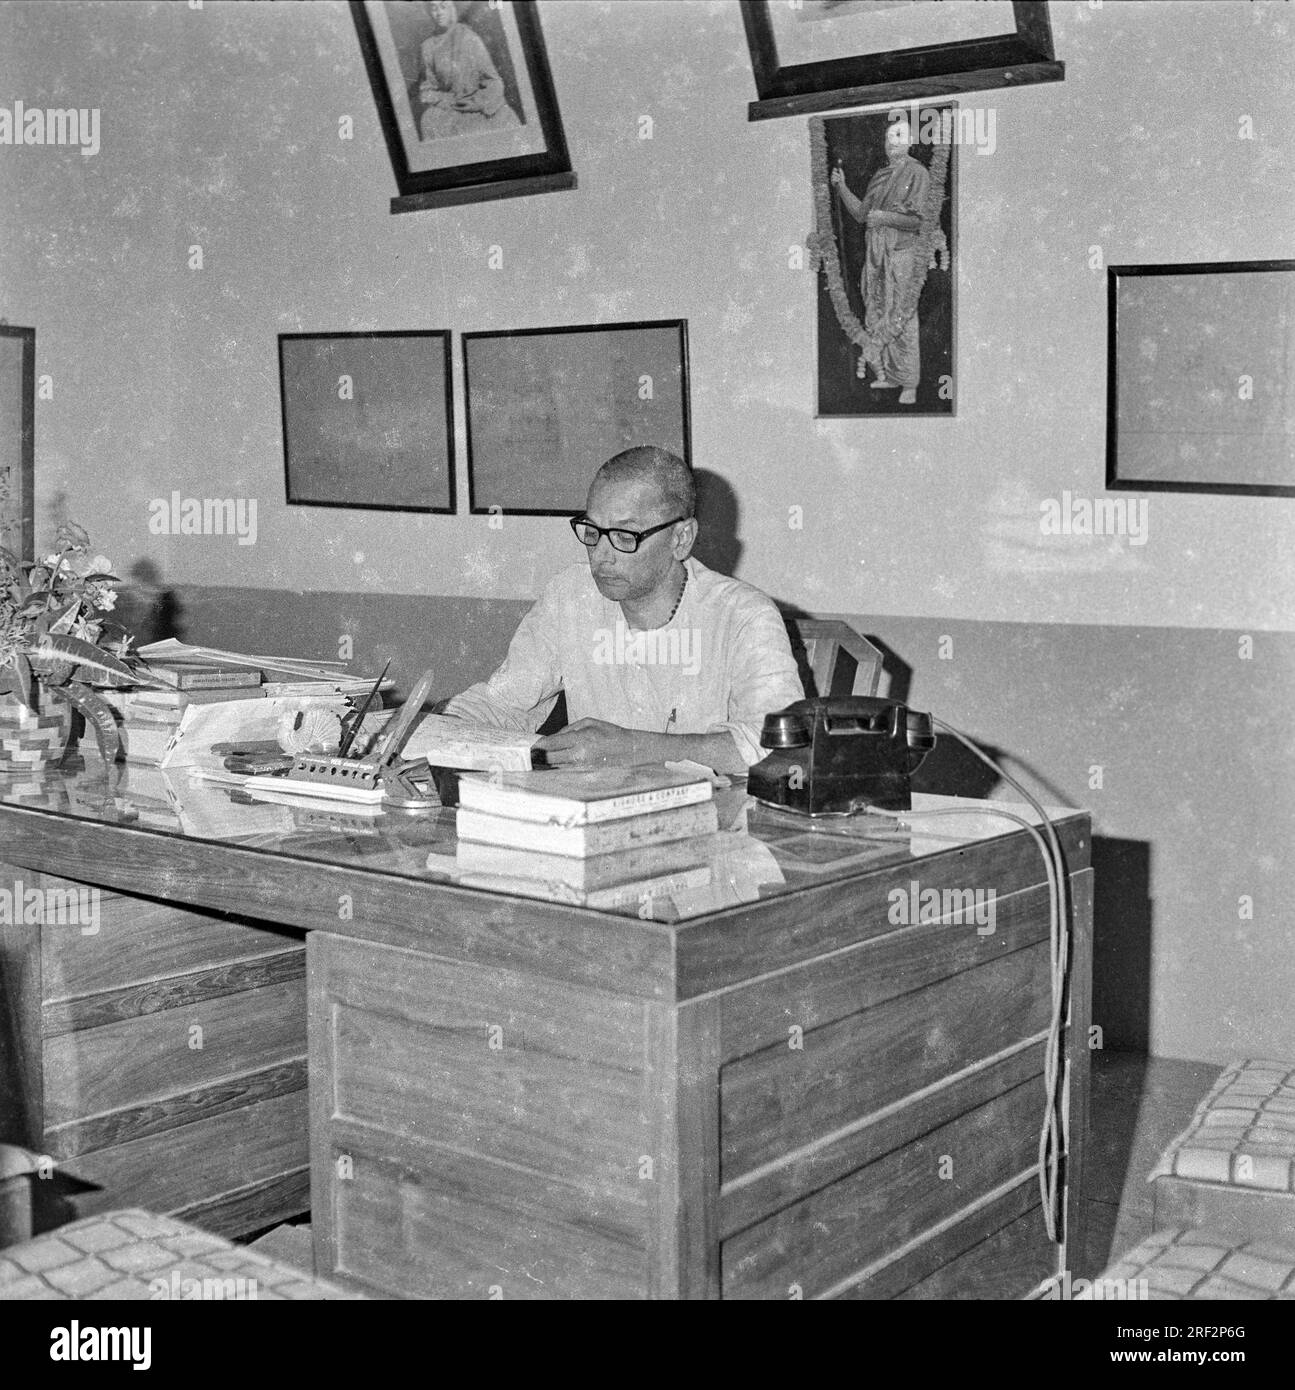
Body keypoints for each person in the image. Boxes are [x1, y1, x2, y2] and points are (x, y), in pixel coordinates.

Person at [440, 446, 804, 774]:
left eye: (625, 536)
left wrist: (632, 748)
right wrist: (440, 729)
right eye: (592, 532)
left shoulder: (744, 616)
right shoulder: (571, 596)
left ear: (681, 539)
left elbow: (779, 747)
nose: (602, 556)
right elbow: (503, 703)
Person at [830, 119, 928, 405]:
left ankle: (909, 383)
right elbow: (862, 214)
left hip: (901, 255)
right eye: (888, 137)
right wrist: (842, 187)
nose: (892, 141)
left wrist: (884, 217)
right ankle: (886, 374)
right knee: (877, 311)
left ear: (910, 141)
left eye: (898, 135)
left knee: (902, 316)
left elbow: (919, 221)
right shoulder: (881, 175)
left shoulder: (918, 173)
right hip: (875, 257)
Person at [416, 0, 520, 142]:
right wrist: (450, 101)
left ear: (452, 8)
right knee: (428, 120)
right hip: (449, 108)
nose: (439, 12)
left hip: (478, 105)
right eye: (434, 8)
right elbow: (427, 91)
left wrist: (477, 102)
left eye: (443, 7)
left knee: (505, 117)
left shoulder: (470, 38)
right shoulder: (427, 47)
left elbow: (494, 81)